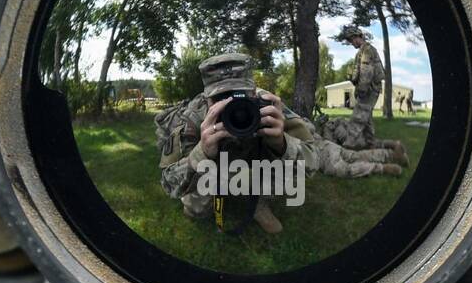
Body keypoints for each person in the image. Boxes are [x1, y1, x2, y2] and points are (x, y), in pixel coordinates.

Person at [157, 52, 405, 235]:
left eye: (242, 96)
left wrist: (282, 143)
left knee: (289, 172)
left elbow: (313, 161)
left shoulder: (267, 106)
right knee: (197, 211)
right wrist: (202, 153)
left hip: (252, 167)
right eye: (221, 99)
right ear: (206, 98)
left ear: (253, 92)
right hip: (215, 169)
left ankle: (258, 203)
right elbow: (169, 185)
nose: (234, 106)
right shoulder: (192, 118)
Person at [321, 24, 406, 155]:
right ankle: (373, 145)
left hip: (368, 90)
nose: (351, 43)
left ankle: (347, 148)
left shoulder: (366, 50)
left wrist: (361, 90)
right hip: (369, 89)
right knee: (367, 120)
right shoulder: (363, 51)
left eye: (351, 39)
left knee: (358, 118)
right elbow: (361, 73)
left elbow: (366, 73)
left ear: (357, 37)